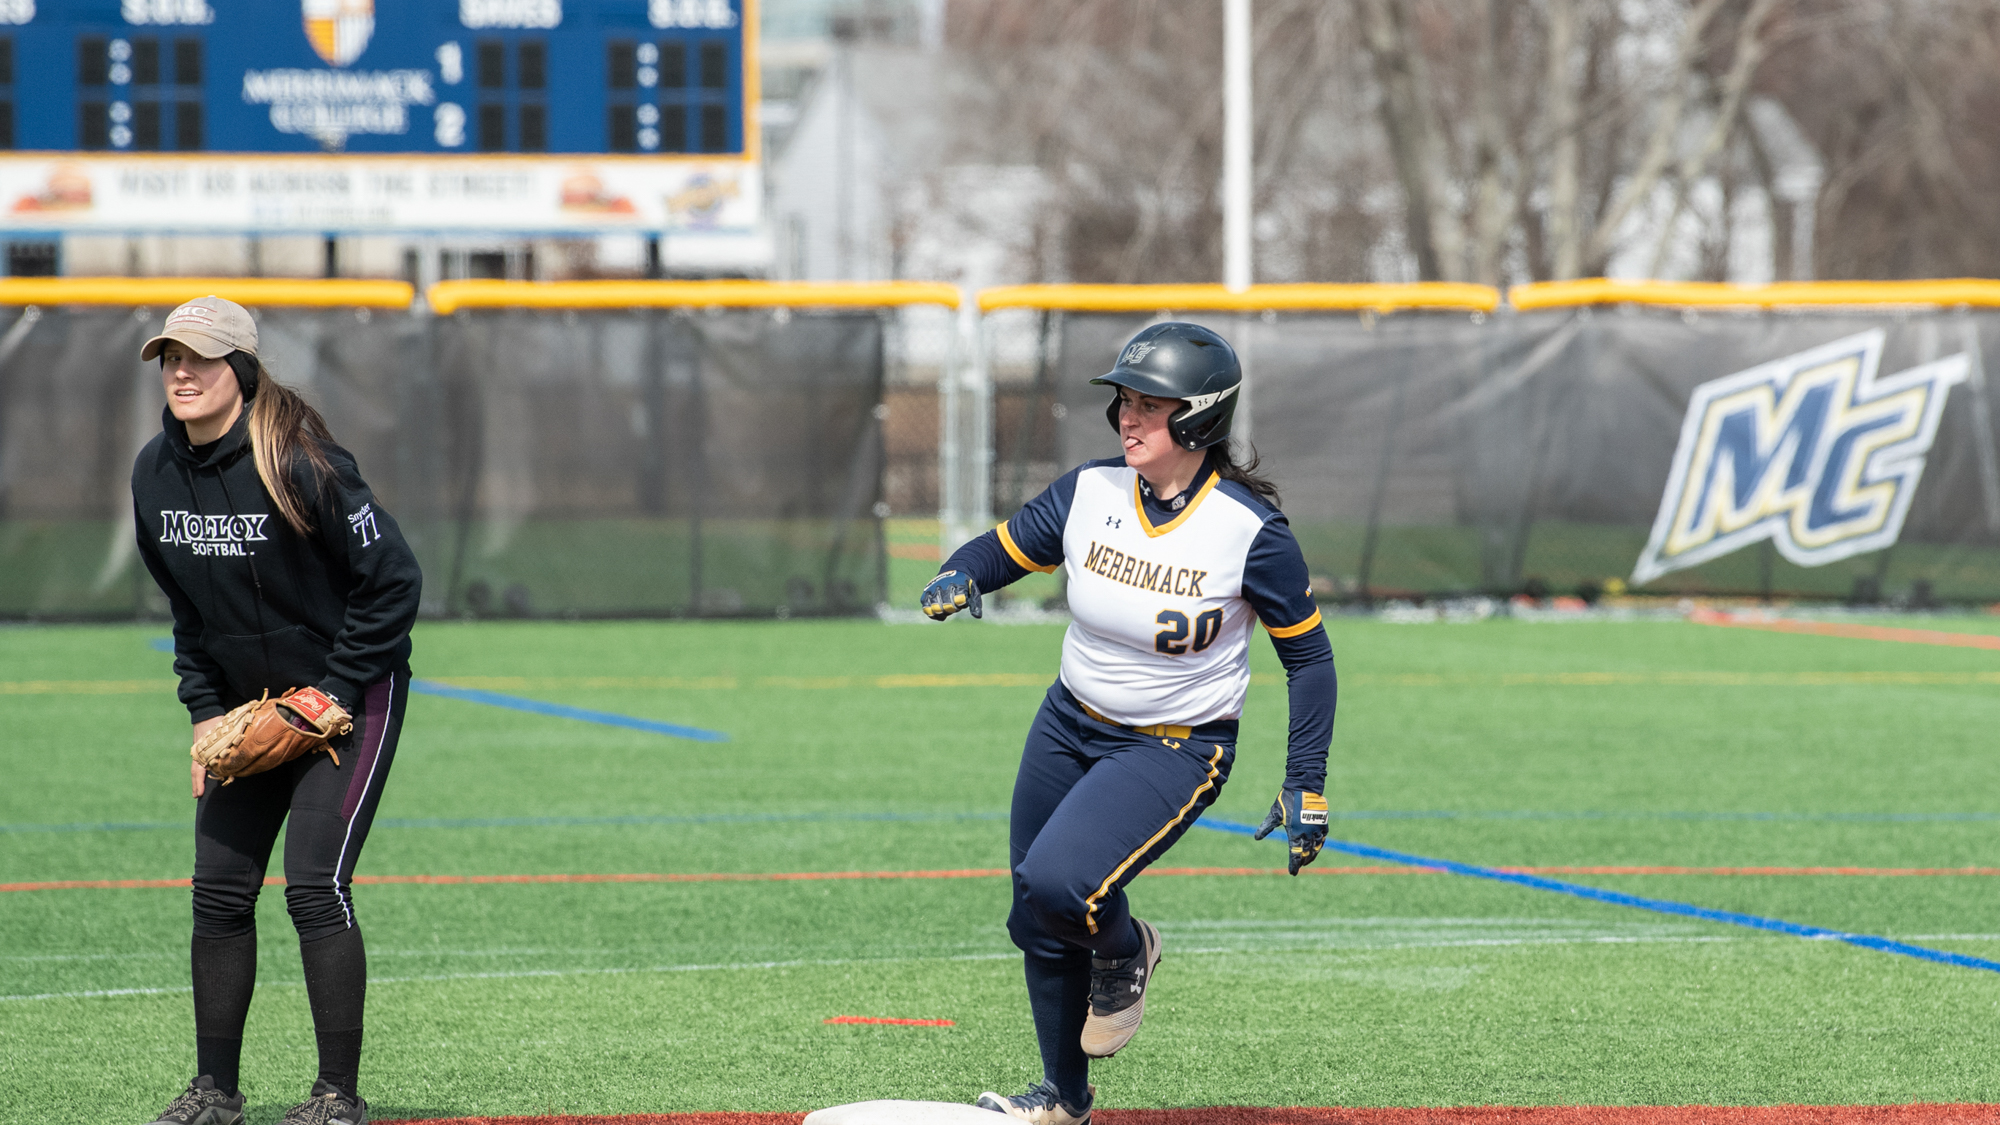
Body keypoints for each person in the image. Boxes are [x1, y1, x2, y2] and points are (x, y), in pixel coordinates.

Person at [922, 323, 1337, 1125]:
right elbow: (1002, 548)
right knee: (1032, 911)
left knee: (1060, 883)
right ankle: (1064, 1098)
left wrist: (1305, 780)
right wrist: (961, 572)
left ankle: (1126, 946)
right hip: (1067, 721)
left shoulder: (1250, 531)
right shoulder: (1092, 491)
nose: (1128, 418)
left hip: (1175, 747)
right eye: (1124, 401)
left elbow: (1310, 661)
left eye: (1151, 404)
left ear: (1200, 418)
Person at [131, 297, 422, 1125]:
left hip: (352, 690)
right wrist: (203, 713)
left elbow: (393, 581)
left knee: (313, 886)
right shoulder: (155, 472)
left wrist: (331, 691)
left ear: (242, 371)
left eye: (202, 357)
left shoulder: (298, 457)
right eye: (170, 357)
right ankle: (215, 1093)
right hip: (252, 705)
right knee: (219, 892)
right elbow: (188, 611)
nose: (182, 371)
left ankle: (337, 1096)